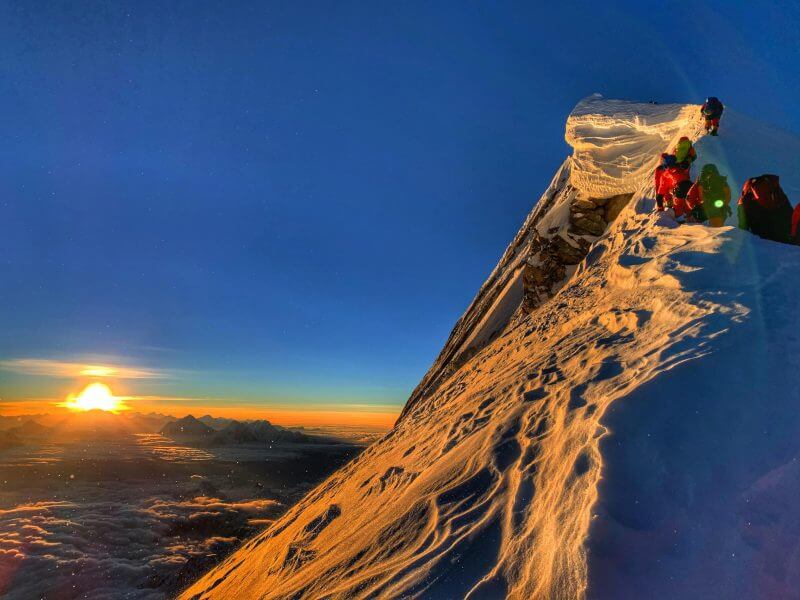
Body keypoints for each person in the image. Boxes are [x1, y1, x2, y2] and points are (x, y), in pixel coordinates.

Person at [738, 174, 794, 244]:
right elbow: (790, 213)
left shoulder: (745, 200)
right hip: (787, 237)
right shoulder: (778, 194)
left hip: (764, 240)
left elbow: (742, 227)